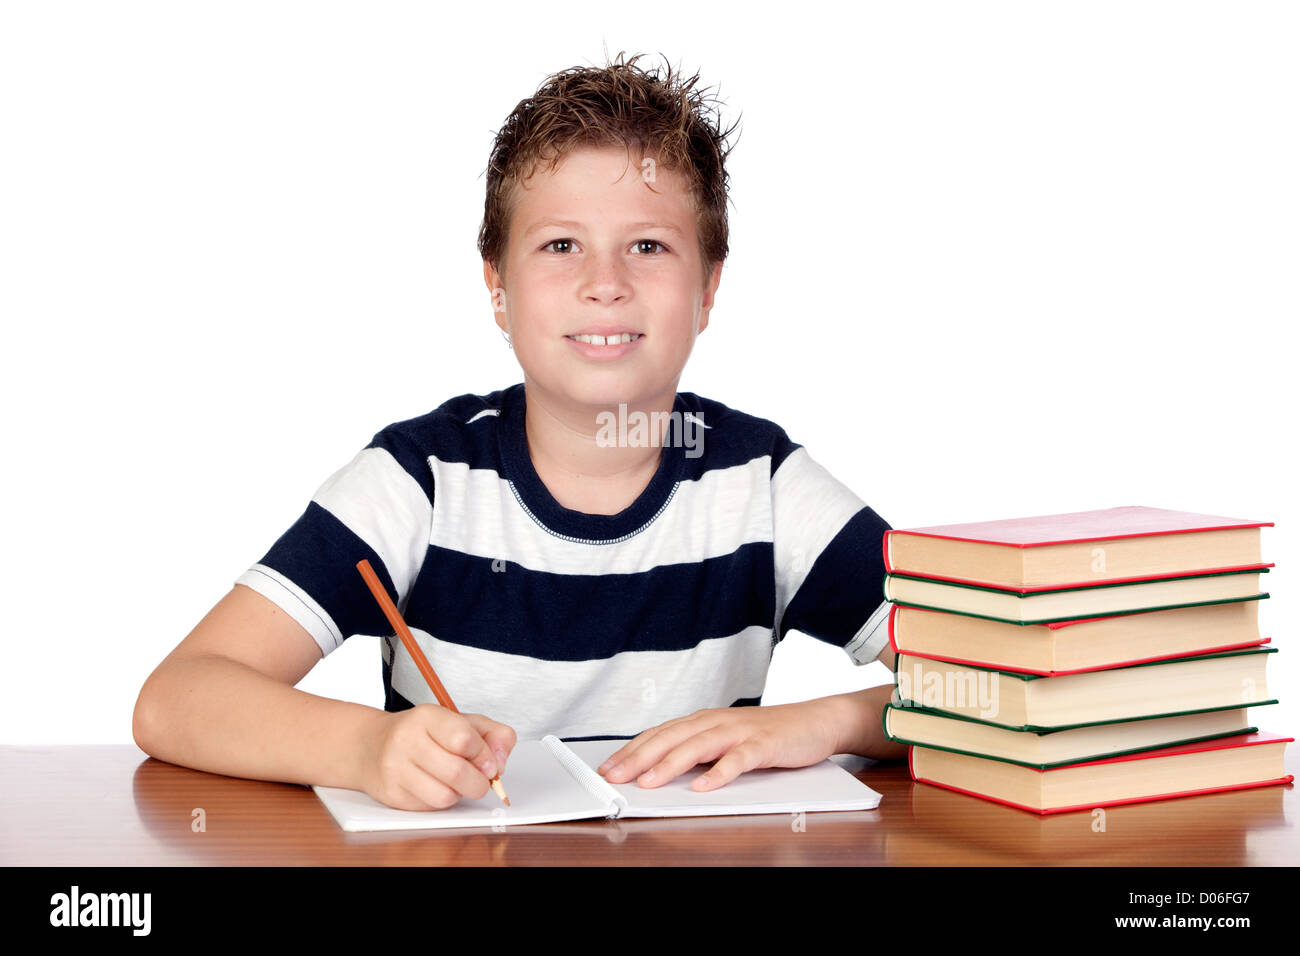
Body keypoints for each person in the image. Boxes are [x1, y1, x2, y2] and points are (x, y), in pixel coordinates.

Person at [132, 52, 907, 812]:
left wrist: (828, 722)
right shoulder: (420, 479)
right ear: (497, 289)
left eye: (649, 246)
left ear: (708, 290)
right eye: (560, 245)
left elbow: (1007, 691)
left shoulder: (764, 484)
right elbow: (177, 698)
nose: (605, 284)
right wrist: (363, 750)